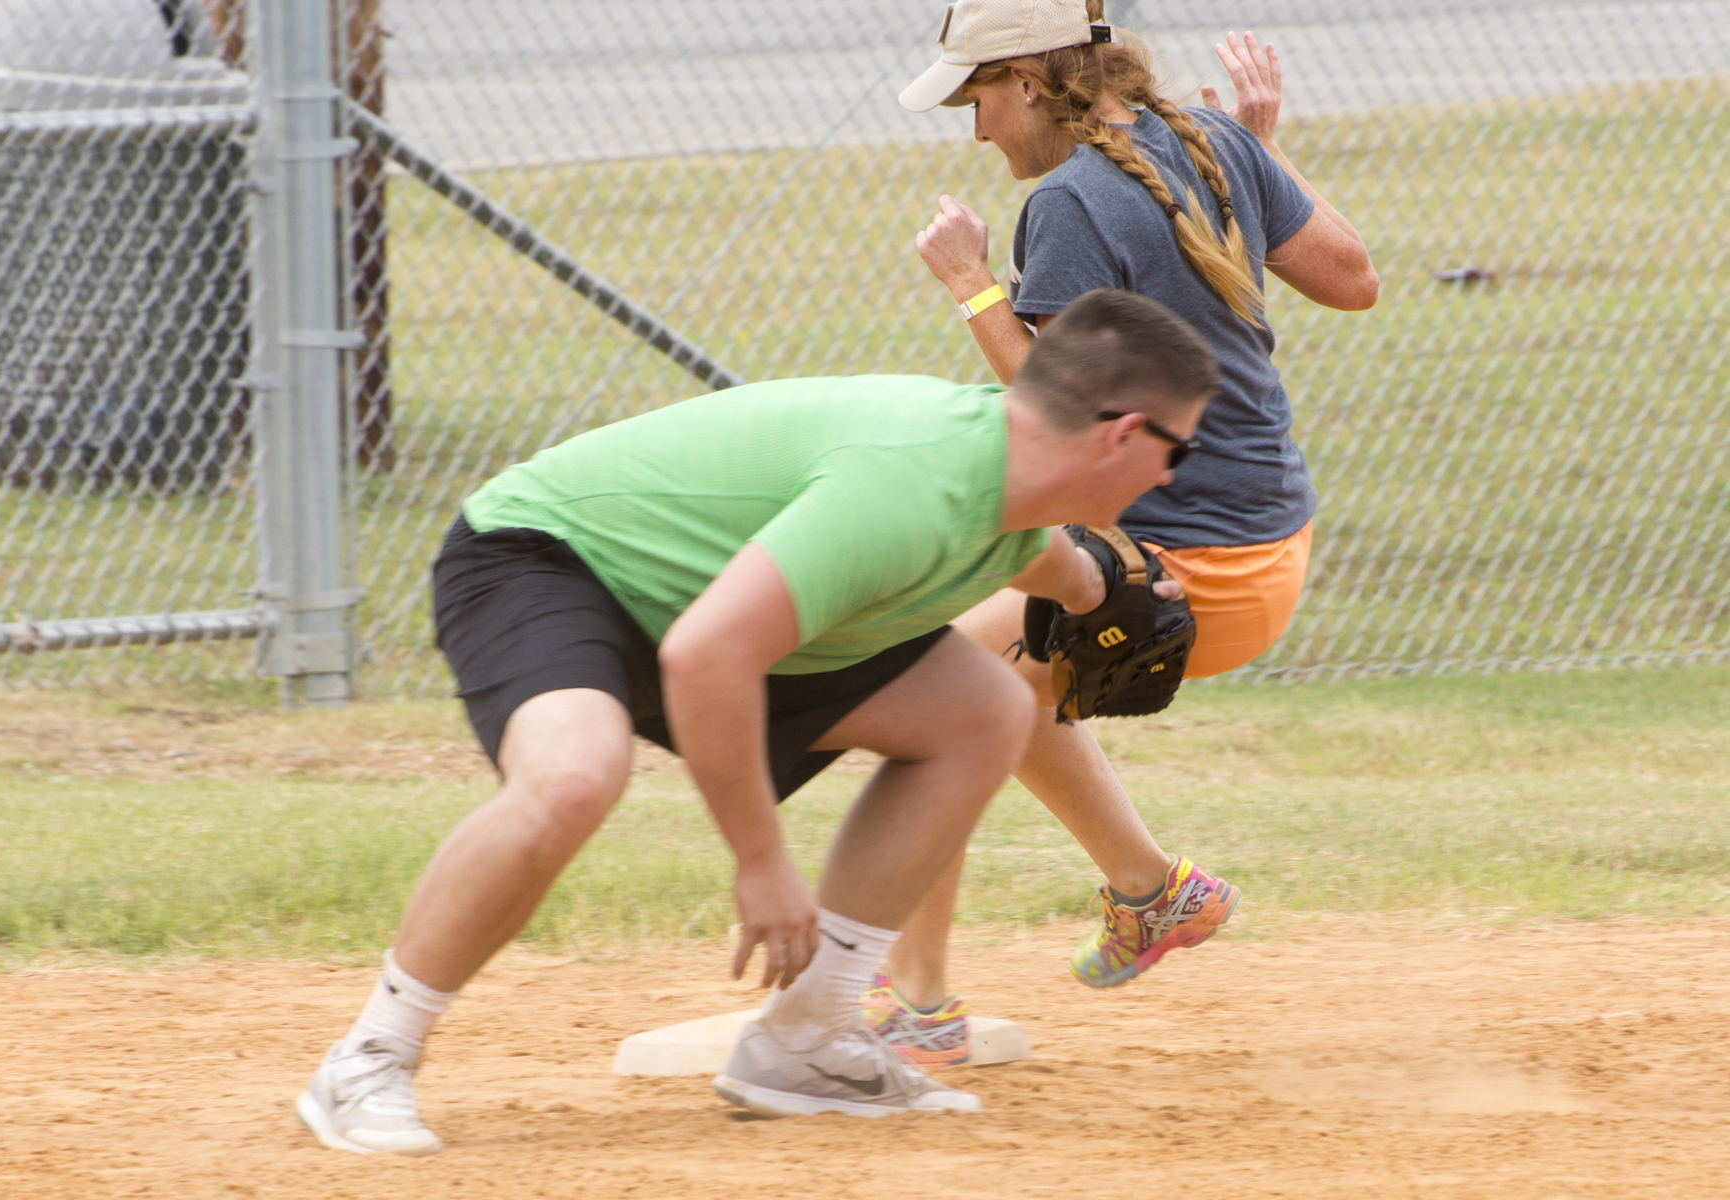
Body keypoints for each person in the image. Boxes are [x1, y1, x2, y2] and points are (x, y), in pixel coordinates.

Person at [293, 289, 1221, 1153]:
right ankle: (370, 1056)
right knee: (574, 775)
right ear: (1123, 433)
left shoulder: (1007, 480)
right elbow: (706, 656)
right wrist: (762, 861)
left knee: (982, 710)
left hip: (713, 606)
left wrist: (1112, 586)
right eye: (1178, 450)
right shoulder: (912, 482)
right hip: (556, 561)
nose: (1175, 475)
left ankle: (808, 1038)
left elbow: (1050, 562)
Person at [867, 0, 1378, 1069]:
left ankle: (916, 1009)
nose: (975, 131)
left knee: (931, 695)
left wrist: (971, 290)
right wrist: (1260, 156)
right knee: (1007, 686)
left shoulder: (1067, 204)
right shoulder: (1210, 138)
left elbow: (1067, 431)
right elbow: (1352, 278)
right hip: (1271, 552)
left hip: (1183, 574)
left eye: (978, 99)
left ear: (1030, 81)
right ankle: (1153, 894)